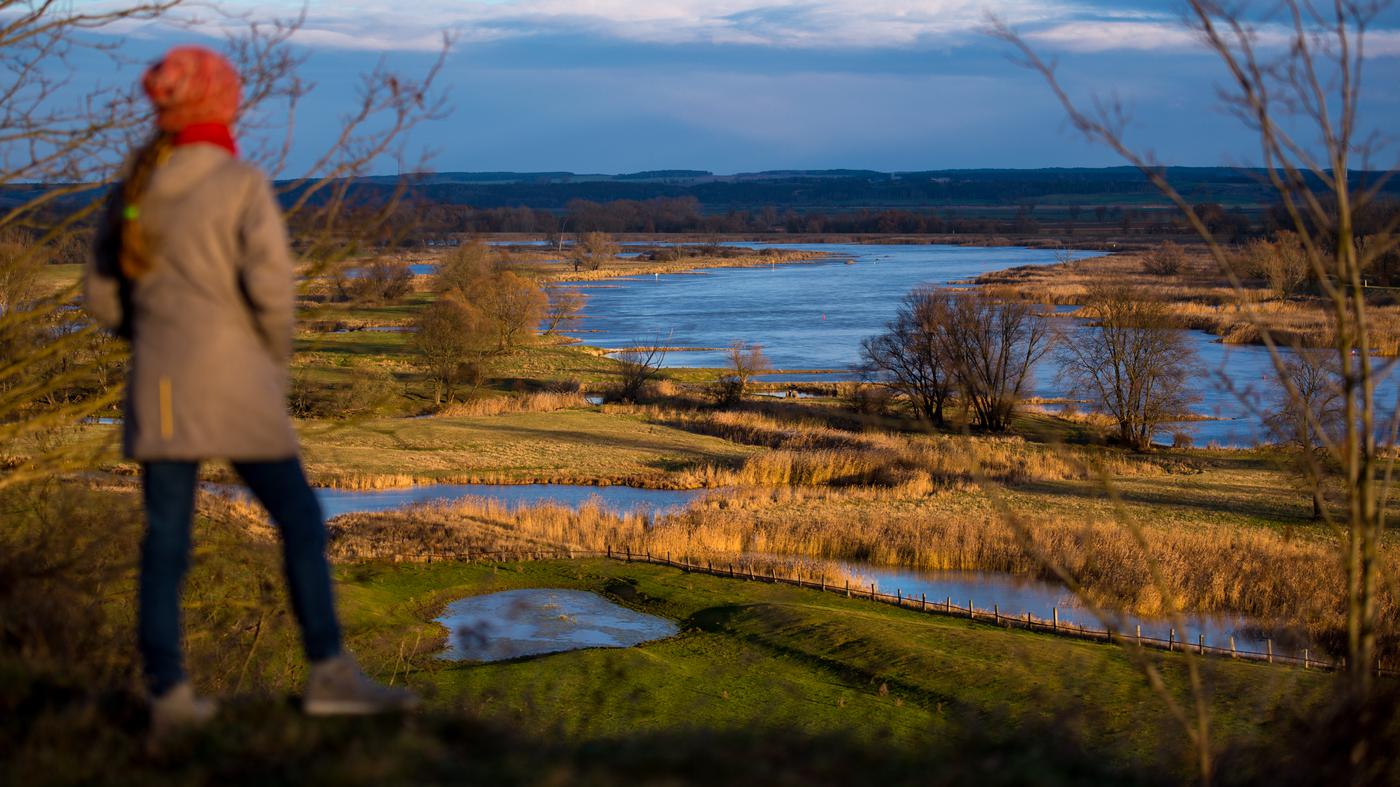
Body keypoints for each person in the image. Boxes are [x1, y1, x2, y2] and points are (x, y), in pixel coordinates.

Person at [83, 46, 418, 736]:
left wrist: (151, 341)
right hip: (236, 382)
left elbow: (101, 297)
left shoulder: (136, 187)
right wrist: (270, 361)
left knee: (166, 543)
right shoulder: (238, 182)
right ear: (220, 103)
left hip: (163, 385)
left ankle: (167, 695)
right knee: (297, 517)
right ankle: (328, 671)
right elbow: (272, 293)